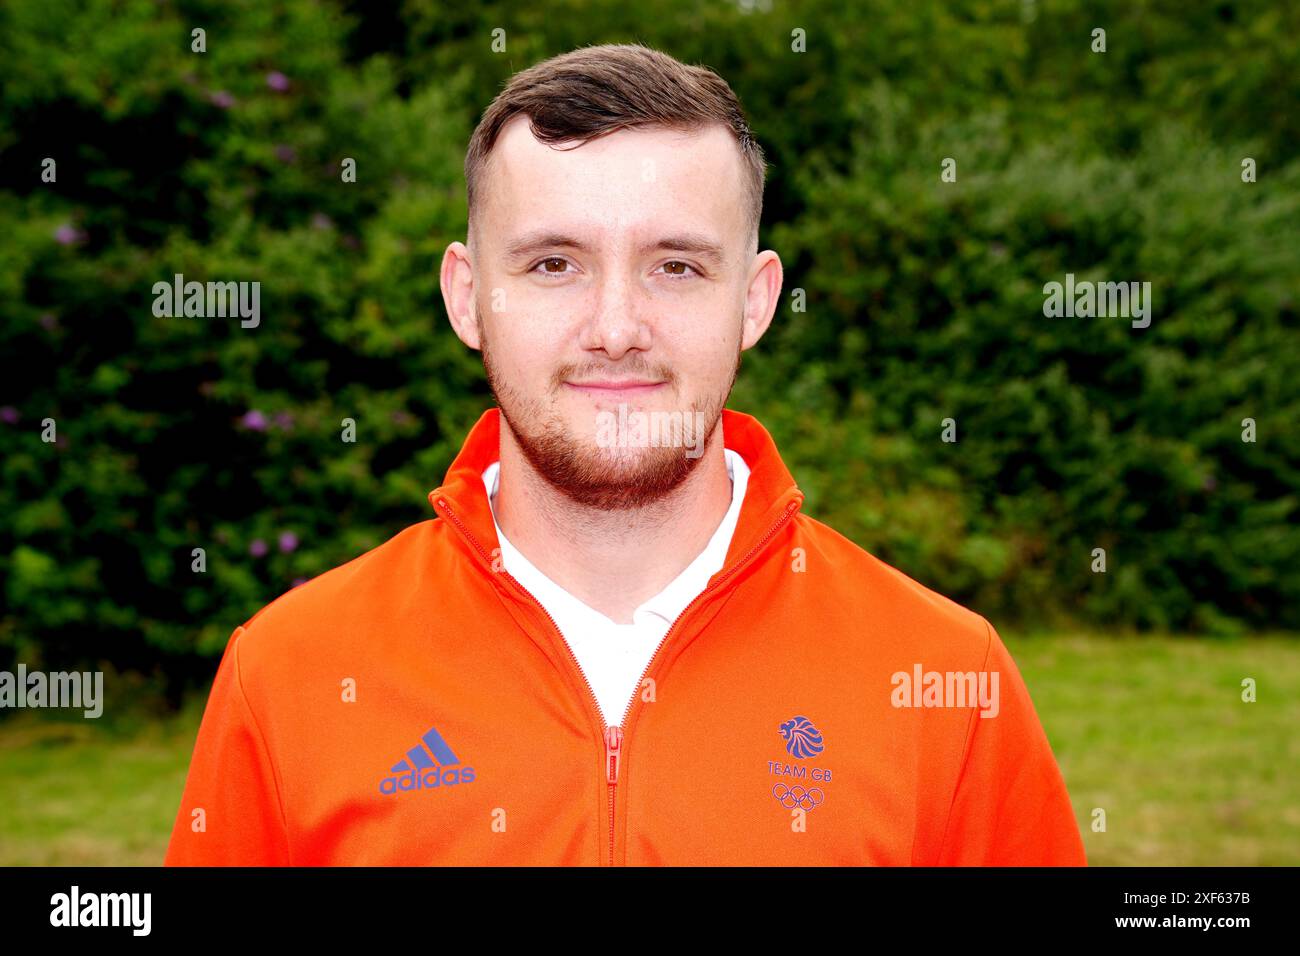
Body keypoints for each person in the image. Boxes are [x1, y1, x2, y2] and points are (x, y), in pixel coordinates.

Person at [165, 43, 1086, 866]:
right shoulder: (288, 675)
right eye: (553, 264)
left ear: (756, 302)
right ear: (466, 296)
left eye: (676, 266)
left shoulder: (947, 680)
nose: (615, 329)